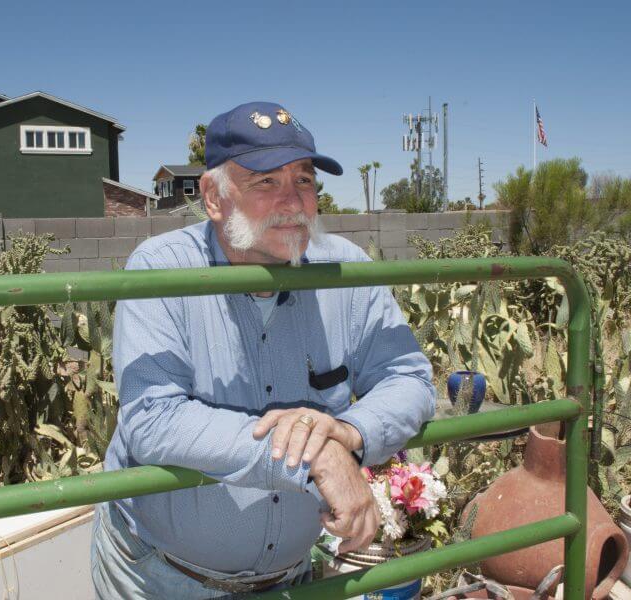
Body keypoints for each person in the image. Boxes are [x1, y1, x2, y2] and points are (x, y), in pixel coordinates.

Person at [91, 101, 435, 599]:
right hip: (161, 577)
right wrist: (311, 457)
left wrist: (349, 432)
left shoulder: (347, 272)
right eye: (265, 182)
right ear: (213, 196)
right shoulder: (160, 270)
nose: (293, 201)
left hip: (289, 581)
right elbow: (153, 418)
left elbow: (408, 377)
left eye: (304, 180)